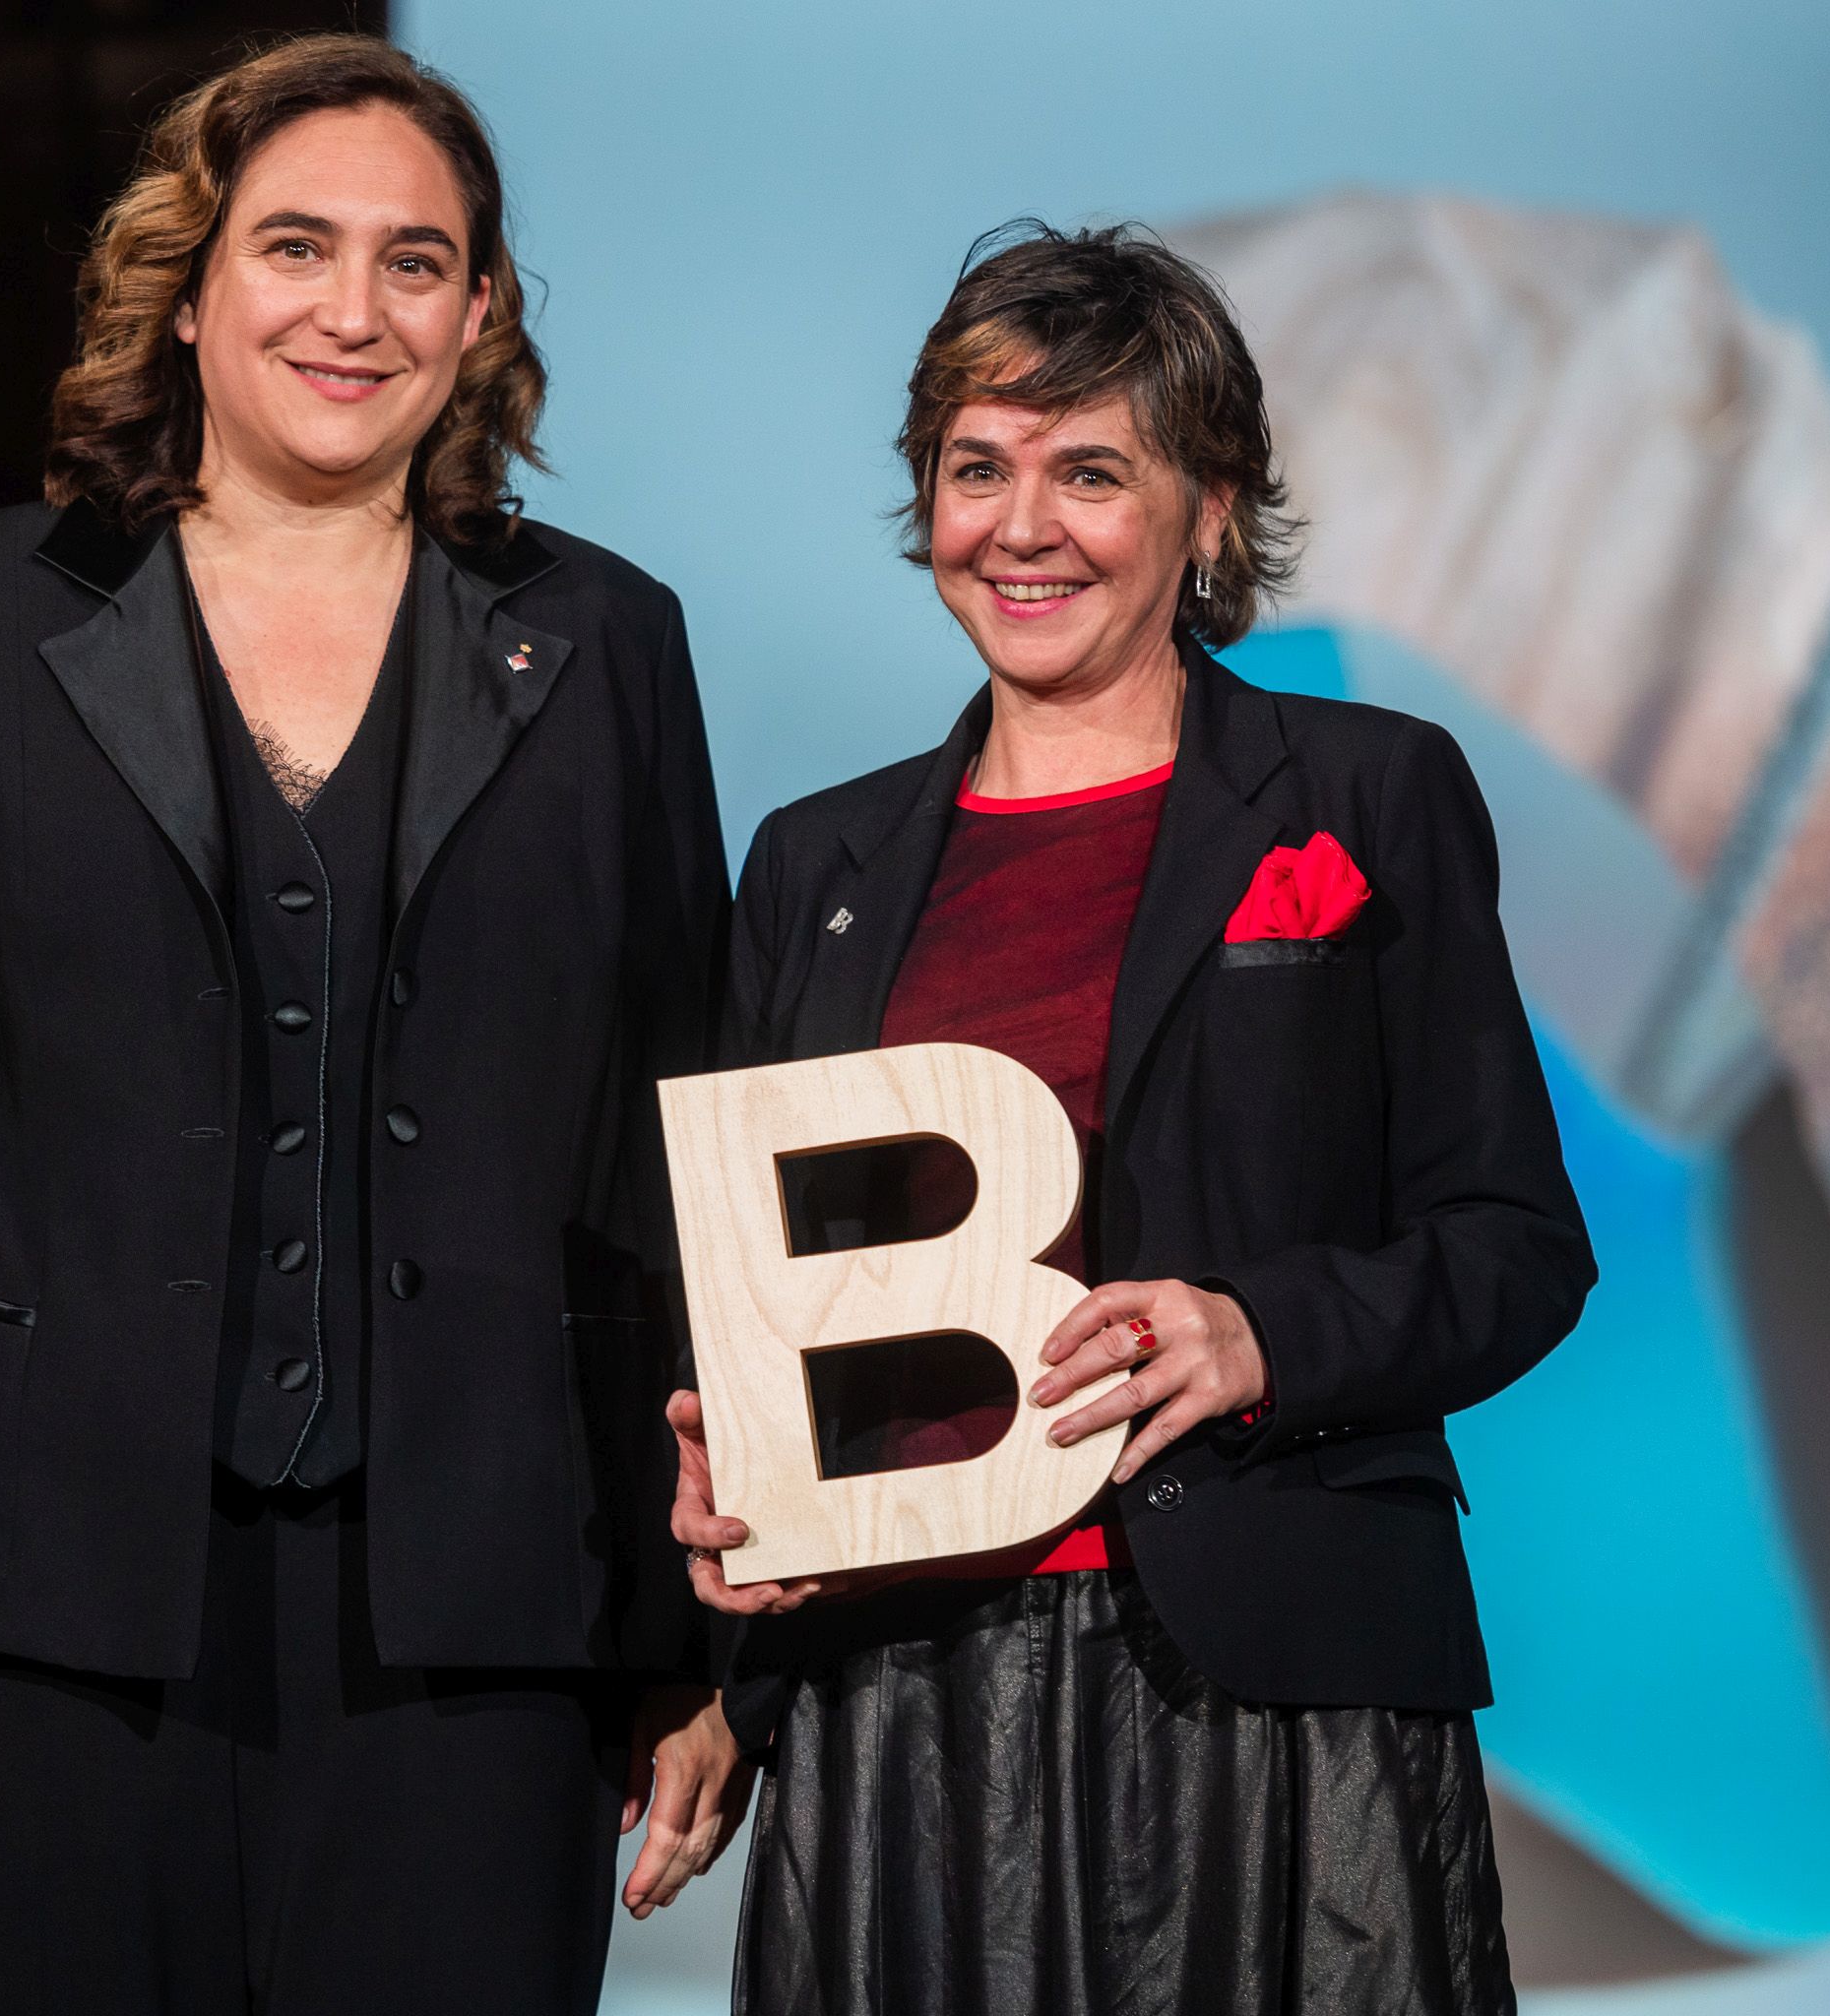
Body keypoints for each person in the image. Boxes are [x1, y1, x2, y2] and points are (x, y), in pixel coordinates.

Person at [0, 35, 739, 2014]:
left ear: (478, 315)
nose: (351, 310)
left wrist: (691, 1640)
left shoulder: (608, 640)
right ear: (190, 289)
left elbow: (674, 1138)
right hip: (30, 1604)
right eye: (296, 247)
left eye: (415, 261)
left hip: (487, 1604)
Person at [669, 222, 1596, 2016]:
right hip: (899, 1682)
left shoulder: (1365, 794)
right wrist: (727, 1498)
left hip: (1278, 1681)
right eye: (976, 469)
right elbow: (755, 1310)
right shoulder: (813, 865)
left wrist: (1260, 1335)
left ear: (1209, 512)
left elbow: (1514, 1245)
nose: (1022, 526)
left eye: (1090, 470)